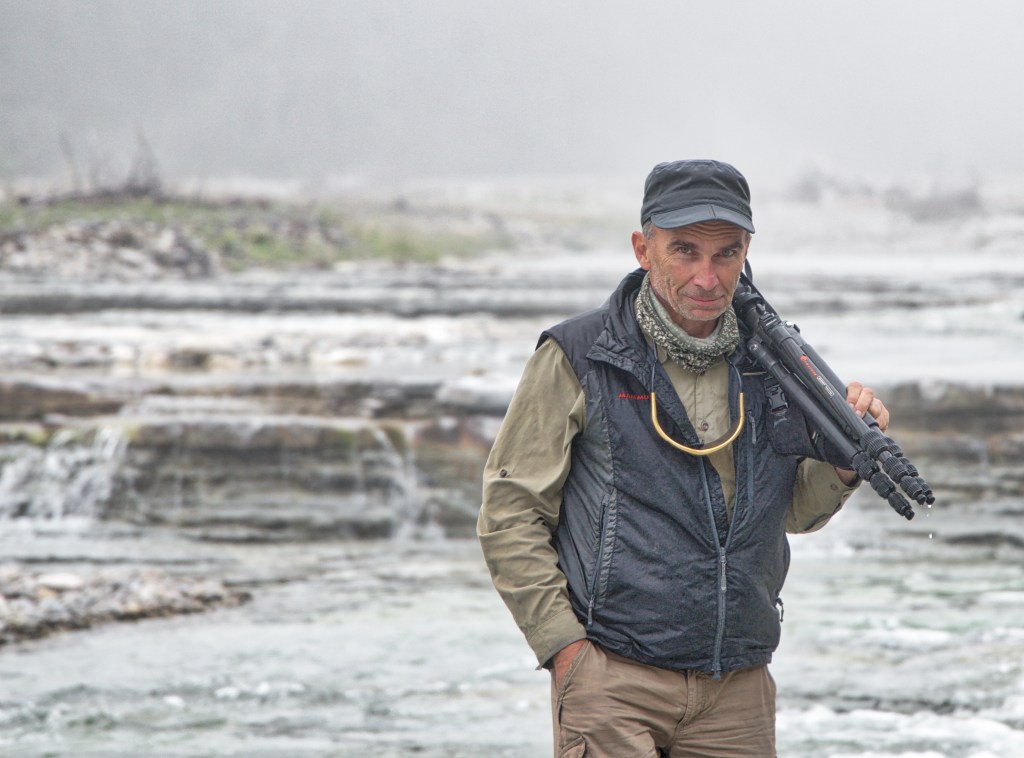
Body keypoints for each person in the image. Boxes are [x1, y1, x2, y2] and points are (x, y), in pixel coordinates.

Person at [477, 159, 891, 757]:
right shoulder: (578, 355)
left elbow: (789, 513)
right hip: (611, 677)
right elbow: (511, 512)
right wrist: (564, 648)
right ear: (643, 249)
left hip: (738, 687)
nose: (707, 277)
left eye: (727, 253)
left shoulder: (775, 364)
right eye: (685, 251)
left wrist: (843, 464)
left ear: (747, 252)